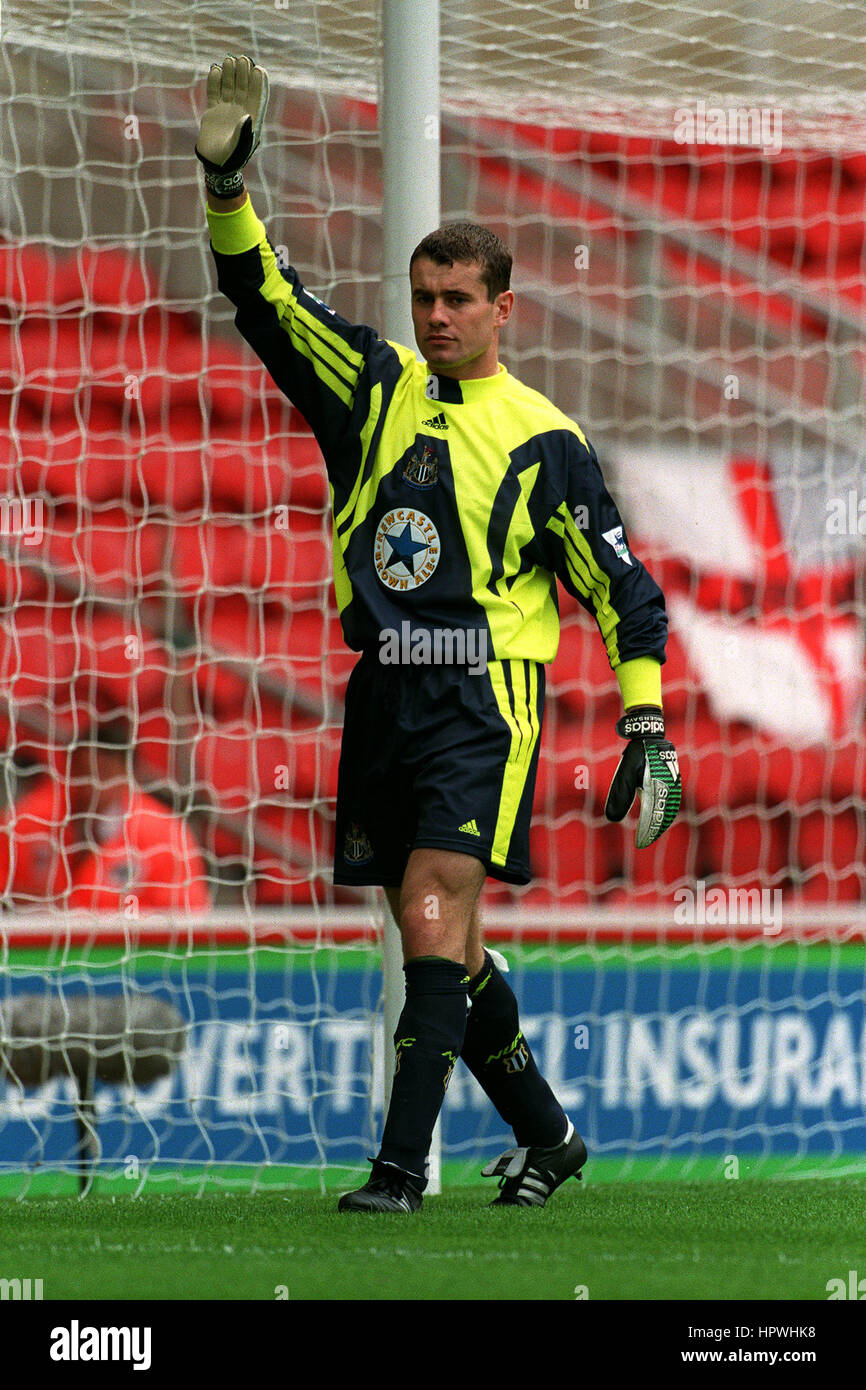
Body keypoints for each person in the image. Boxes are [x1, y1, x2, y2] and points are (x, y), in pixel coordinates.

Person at [196, 56, 682, 1212]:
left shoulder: (544, 439)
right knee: (445, 942)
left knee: (428, 906)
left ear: (502, 308)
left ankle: (397, 1171)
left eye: (458, 300)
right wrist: (225, 189)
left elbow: (623, 591)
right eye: (424, 298)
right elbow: (266, 299)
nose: (436, 318)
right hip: (383, 691)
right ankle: (550, 1137)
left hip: (482, 694)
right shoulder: (371, 388)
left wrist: (645, 719)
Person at [0, 718, 211, 914]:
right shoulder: (27, 820)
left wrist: (106, 915)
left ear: (127, 773)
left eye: (103, 773)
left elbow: (186, 914)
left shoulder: (164, 835)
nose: (93, 785)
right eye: (84, 772)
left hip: (128, 941)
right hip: (38, 940)